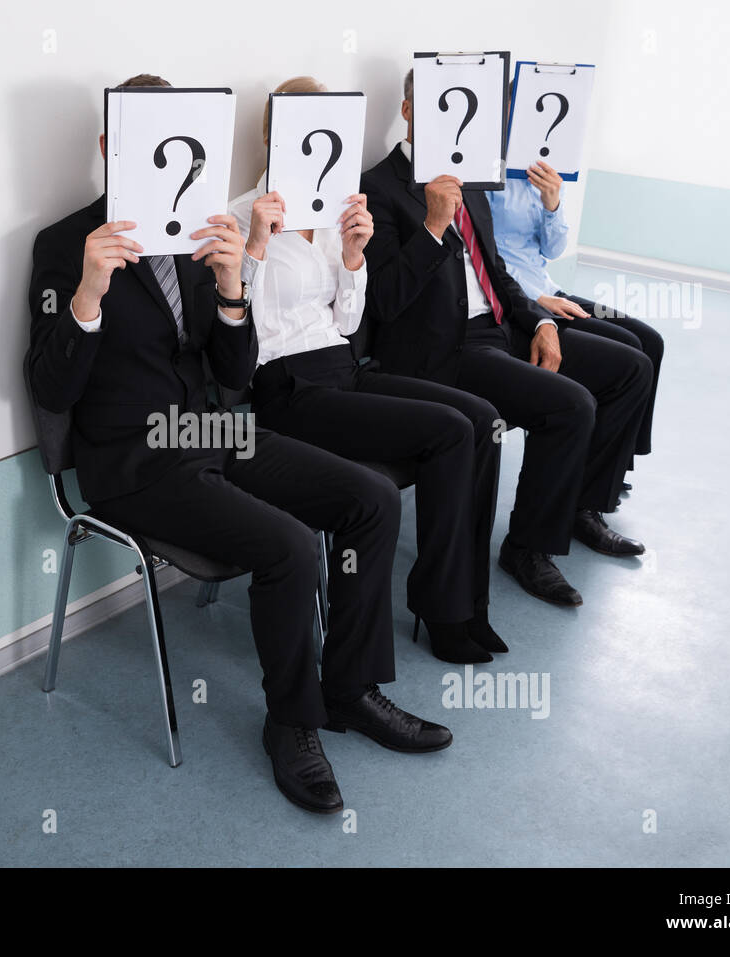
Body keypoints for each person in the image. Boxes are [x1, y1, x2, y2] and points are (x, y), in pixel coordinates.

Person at [27, 74, 452, 816]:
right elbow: (52, 390)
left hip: (213, 431)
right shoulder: (66, 245)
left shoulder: (199, 234)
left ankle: (350, 688)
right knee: (287, 545)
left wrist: (230, 290)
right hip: (133, 456)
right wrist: (87, 296)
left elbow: (230, 374)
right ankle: (292, 722)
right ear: (110, 147)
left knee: (372, 498)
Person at [229, 75, 506, 664]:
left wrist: (353, 257)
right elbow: (232, 332)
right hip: (287, 386)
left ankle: (459, 601)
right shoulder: (235, 217)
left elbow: (351, 321)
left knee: (479, 418)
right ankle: (446, 614)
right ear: (276, 137)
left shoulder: (333, 216)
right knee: (449, 430)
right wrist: (254, 244)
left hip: (344, 366)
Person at [361, 68, 654, 608]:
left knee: (630, 366)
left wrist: (540, 321)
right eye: (433, 109)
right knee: (570, 406)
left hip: (503, 326)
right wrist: (430, 227)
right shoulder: (377, 188)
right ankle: (527, 548)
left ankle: (580, 509)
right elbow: (381, 302)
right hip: (445, 350)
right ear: (407, 112)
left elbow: (495, 268)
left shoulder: (469, 179)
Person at [488, 161, 664, 477]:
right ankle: (599, 475)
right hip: (523, 298)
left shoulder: (542, 175)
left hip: (550, 289)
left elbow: (553, 250)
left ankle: (617, 462)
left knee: (650, 340)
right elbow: (483, 254)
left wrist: (552, 202)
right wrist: (535, 298)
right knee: (629, 350)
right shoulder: (488, 176)